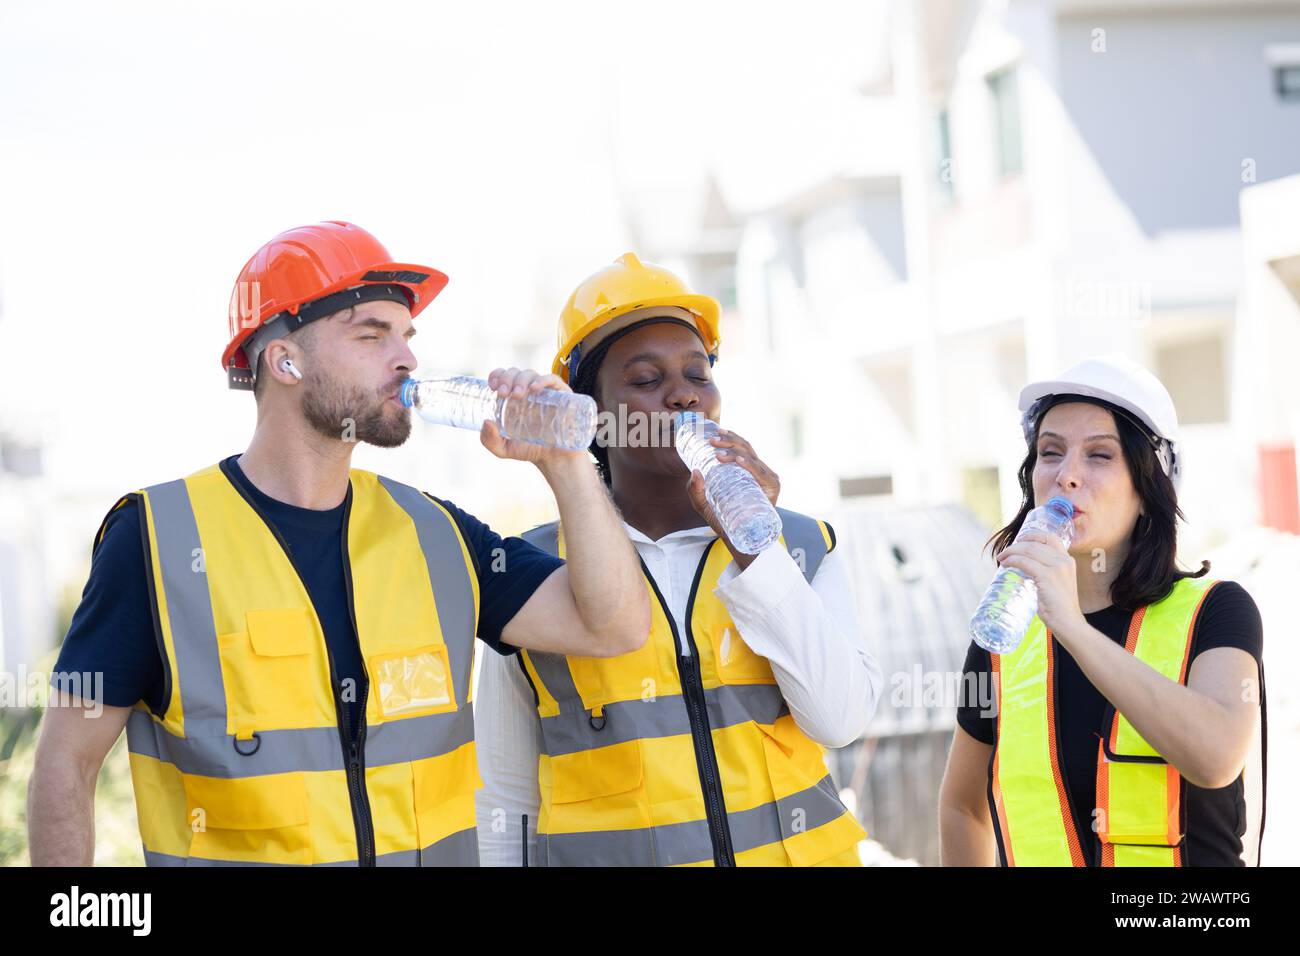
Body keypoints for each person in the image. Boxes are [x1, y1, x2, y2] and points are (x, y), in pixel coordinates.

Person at [27, 221, 649, 866]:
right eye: (370, 334)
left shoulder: (437, 533)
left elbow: (614, 627)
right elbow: (66, 764)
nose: (406, 359)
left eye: (406, 337)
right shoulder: (155, 538)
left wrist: (567, 464)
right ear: (285, 360)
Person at [474, 252, 881, 866]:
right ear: (591, 418)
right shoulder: (533, 573)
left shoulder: (798, 545)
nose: (683, 396)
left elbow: (840, 720)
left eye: (699, 374)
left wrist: (755, 550)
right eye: (645, 380)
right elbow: (506, 799)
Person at [938, 355, 1266, 866]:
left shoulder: (1215, 611)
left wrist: (1071, 626)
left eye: (1099, 456)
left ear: (1149, 485)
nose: (1068, 475)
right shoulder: (1003, 635)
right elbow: (962, 806)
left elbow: (1217, 757)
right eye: (1051, 453)